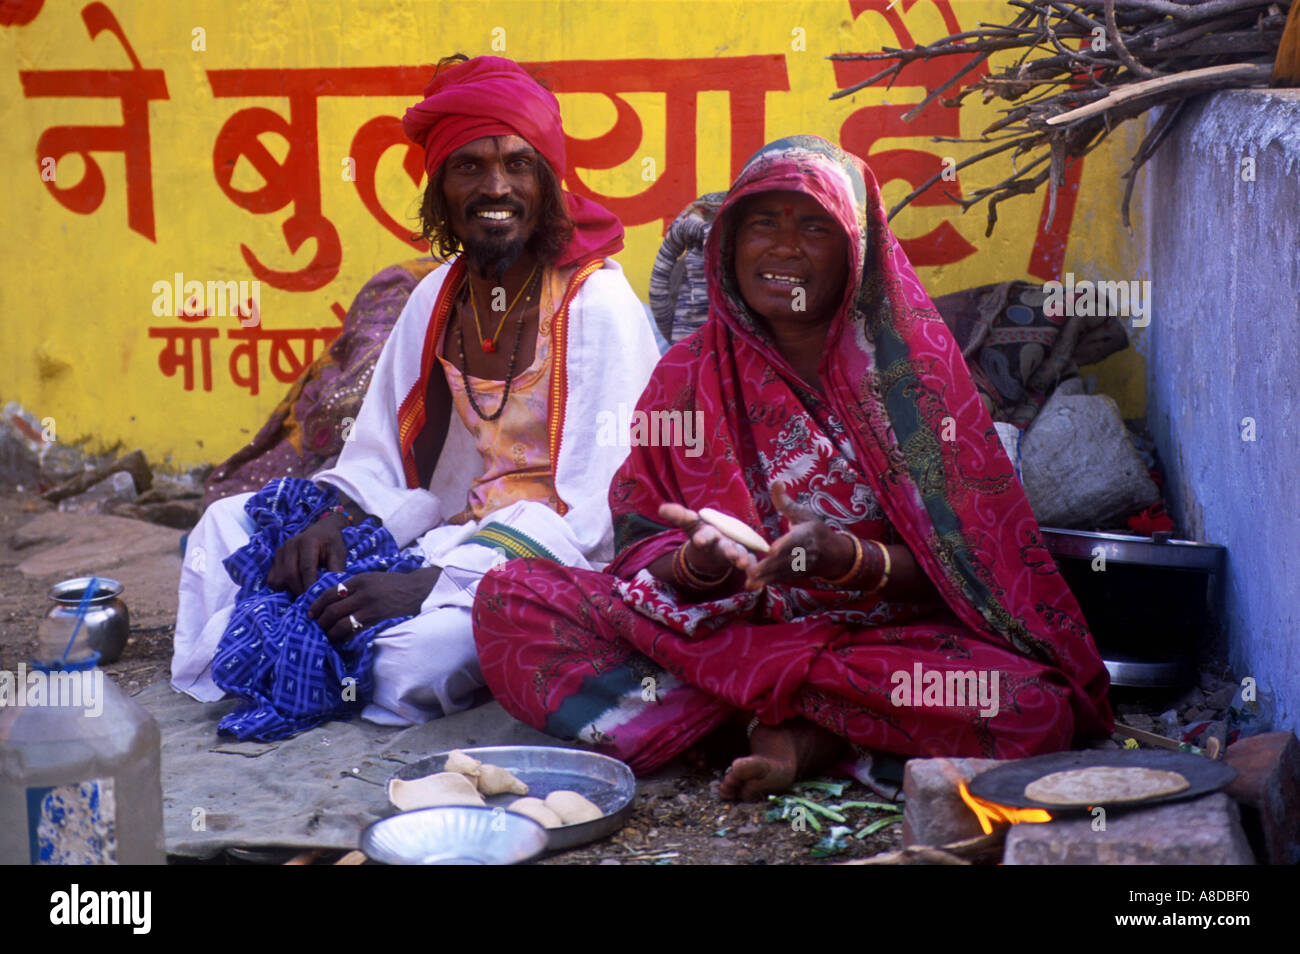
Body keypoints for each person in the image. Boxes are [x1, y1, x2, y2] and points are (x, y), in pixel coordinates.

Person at [472, 135, 1114, 798]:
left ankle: (778, 727)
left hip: (880, 642)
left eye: (813, 227)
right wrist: (700, 565)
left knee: (1031, 708)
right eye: (761, 225)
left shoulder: (913, 382)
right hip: (727, 634)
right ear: (728, 245)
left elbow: (978, 568)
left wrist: (848, 561)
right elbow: (639, 545)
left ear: (856, 252)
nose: (782, 248)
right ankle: (815, 723)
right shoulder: (688, 377)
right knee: (509, 600)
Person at [171, 55, 659, 734]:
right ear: (440, 192)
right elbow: (380, 456)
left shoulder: (597, 304)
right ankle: (298, 641)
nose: (496, 187)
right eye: (470, 168)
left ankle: (310, 646)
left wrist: (434, 585)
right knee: (227, 527)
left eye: (518, 165)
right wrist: (334, 523)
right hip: (445, 527)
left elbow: (599, 515)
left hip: (545, 562)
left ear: (548, 184)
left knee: (412, 659)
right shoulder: (436, 294)